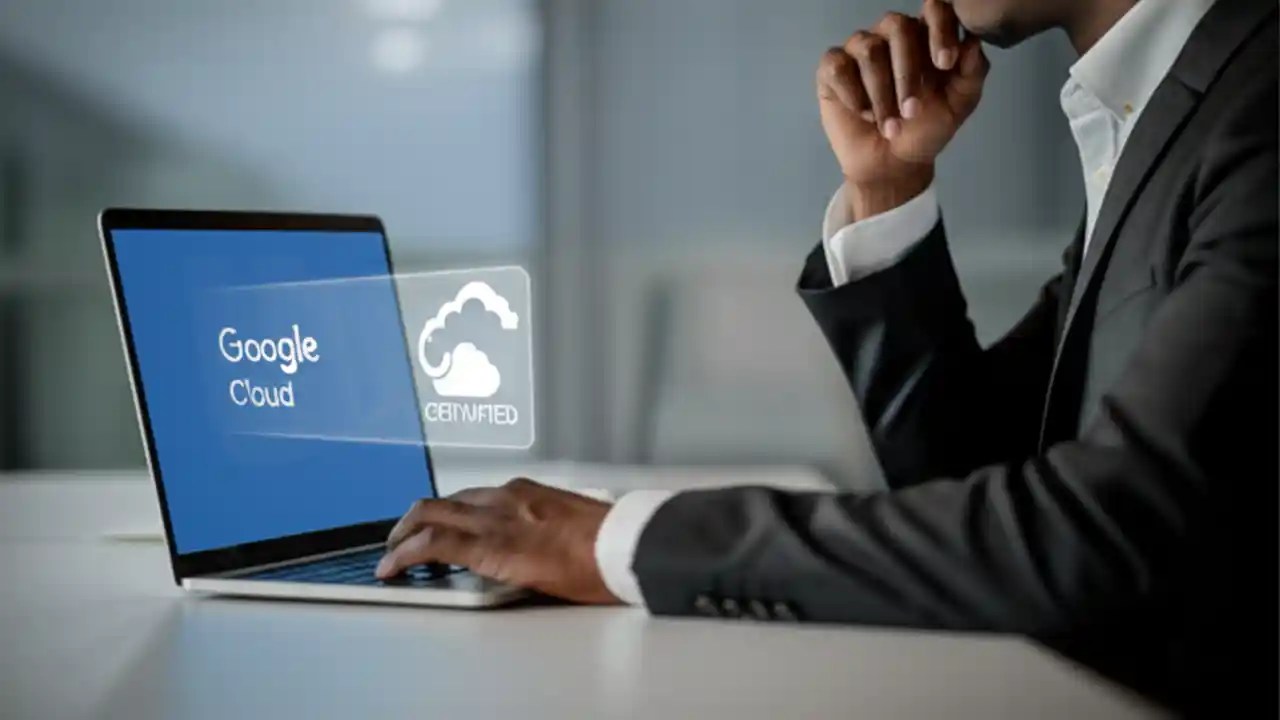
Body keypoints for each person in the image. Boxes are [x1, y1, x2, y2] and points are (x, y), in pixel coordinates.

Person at [376, 0, 1277, 713]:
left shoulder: (1259, 100)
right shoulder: (1164, 112)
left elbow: (1098, 537)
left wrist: (612, 540)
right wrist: (888, 192)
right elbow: (989, 485)